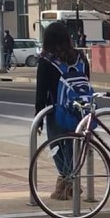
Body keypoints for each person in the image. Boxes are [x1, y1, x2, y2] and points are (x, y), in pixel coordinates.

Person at [36, 22, 89, 200]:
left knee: (57, 147)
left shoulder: (46, 61)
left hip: (56, 112)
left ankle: (66, 183)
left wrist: (39, 117)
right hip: (79, 110)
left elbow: (41, 92)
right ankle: (72, 183)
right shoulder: (80, 57)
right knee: (74, 146)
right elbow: (86, 82)